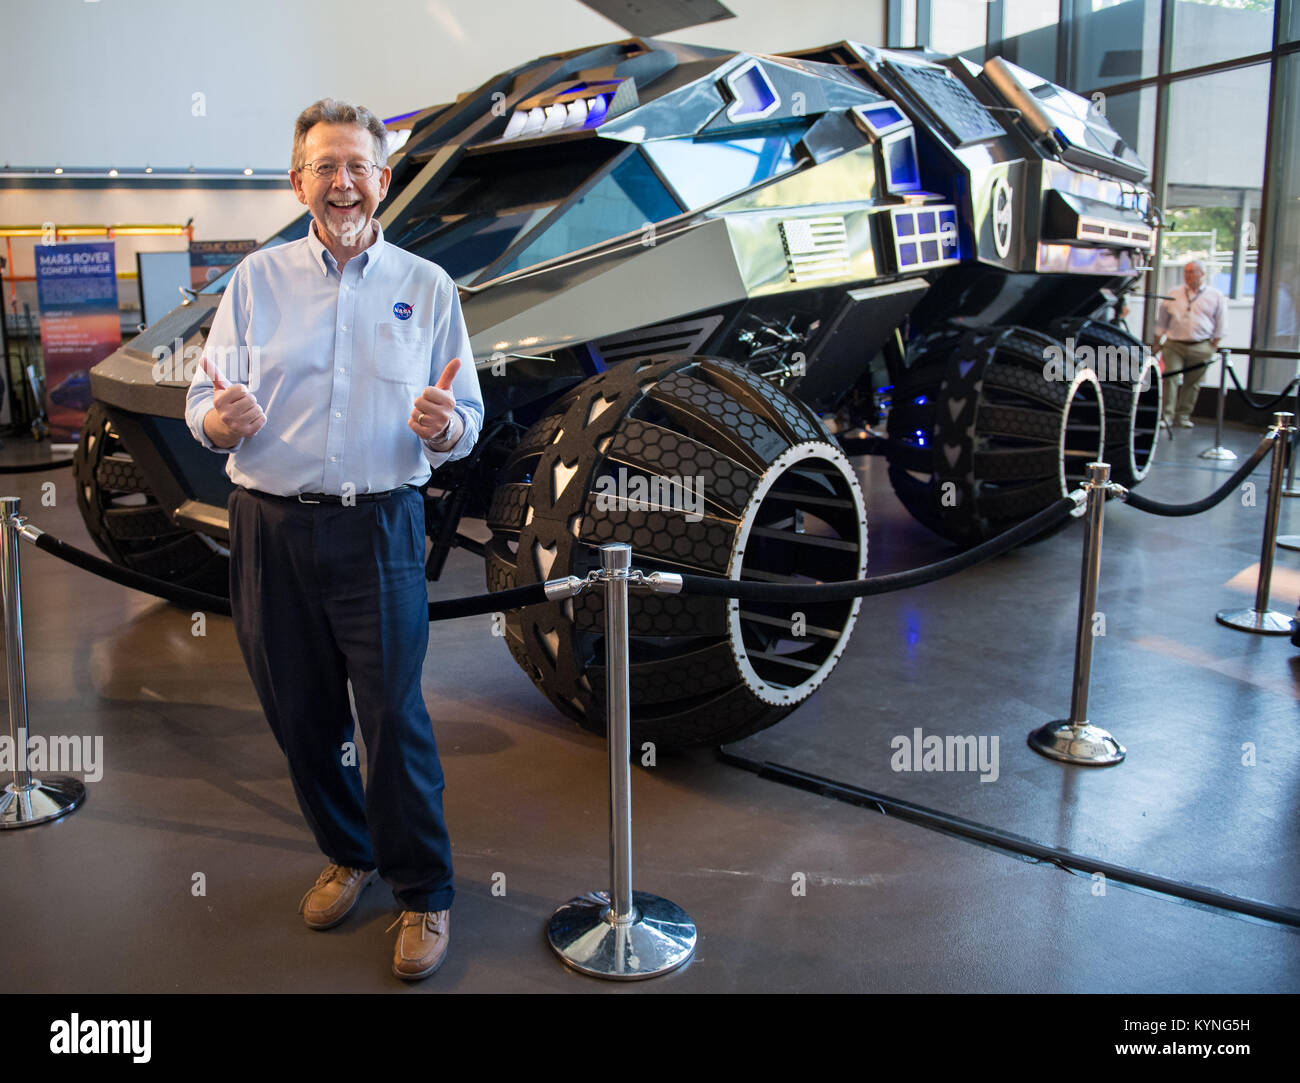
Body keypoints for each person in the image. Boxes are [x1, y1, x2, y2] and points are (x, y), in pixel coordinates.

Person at [184, 98, 483, 981]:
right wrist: (218, 422)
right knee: (301, 716)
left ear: (382, 179)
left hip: (380, 527)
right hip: (270, 527)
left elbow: (465, 414)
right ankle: (348, 853)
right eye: (325, 166)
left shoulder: (426, 285)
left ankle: (424, 893)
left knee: (393, 717)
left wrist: (443, 430)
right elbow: (203, 402)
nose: (342, 181)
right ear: (298, 181)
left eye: (358, 165)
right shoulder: (256, 282)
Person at [1151, 259, 1227, 428]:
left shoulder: (1215, 296)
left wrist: (1212, 345)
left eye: (1192, 272)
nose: (1188, 275)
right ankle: (1166, 416)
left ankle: (1183, 415)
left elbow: (1220, 323)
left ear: (1202, 274)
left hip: (1201, 345)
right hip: (1174, 343)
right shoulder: (1174, 293)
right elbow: (1162, 321)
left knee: (1192, 383)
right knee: (1170, 378)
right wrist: (1157, 341)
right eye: (1186, 271)